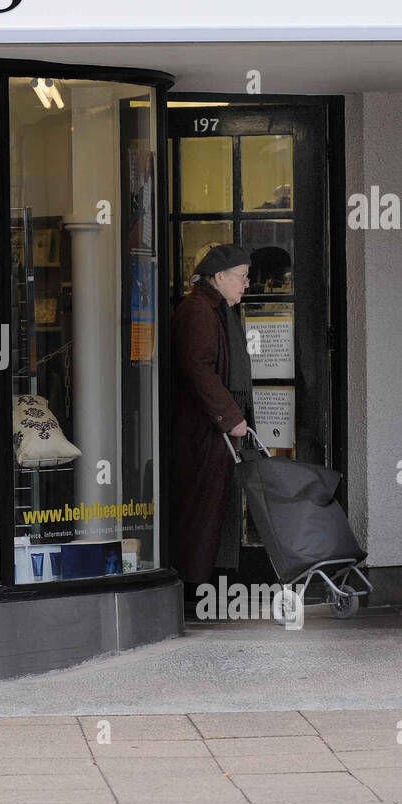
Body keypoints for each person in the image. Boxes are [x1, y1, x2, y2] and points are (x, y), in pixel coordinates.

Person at [169, 244, 256, 608]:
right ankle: (195, 587)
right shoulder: (199, 312)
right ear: (219, 277)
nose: (246, 284)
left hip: (209, 429)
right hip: (201, 432)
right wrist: (231, 417)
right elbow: (198, 369)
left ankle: (202, 583)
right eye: (242, 276)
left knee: (210, 508)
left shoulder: (213, 309)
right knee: (200, 509)